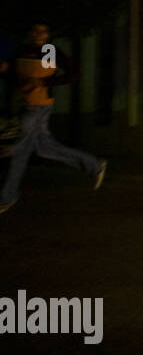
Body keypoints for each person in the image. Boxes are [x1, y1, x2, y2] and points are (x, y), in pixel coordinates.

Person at [0, 23, 107, 213]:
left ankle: (7, 195)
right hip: (26, 105)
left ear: (48, 34)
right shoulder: (22, 50)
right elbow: (13, 76)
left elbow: (67, 74)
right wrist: (6, 70)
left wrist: (42, 82)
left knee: (20, 150)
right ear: (30, 33)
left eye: (43, 31)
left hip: (39, 107)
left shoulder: (48, 51)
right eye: (35, 30)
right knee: (43, 149)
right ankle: (94, 165)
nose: (39, 34)